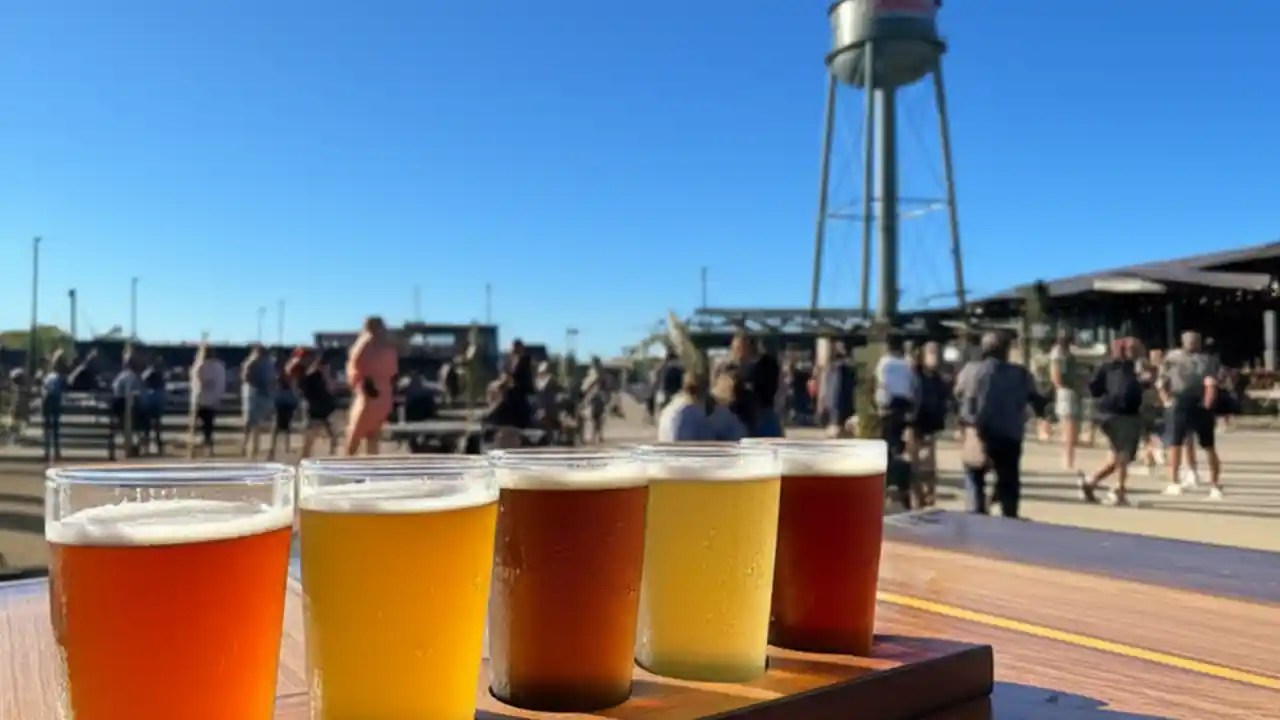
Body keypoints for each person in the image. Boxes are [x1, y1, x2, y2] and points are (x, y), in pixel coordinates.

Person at [958, 331, 1048, 519]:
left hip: (978, 431)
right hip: (1010, 434)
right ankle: (1009, 516)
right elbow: (1037, 399)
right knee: (1009, 479)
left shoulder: (971, 370)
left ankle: (976, 512)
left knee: (974, 475)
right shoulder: (1020, 373)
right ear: (1006, 350)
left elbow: (958, 394)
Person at [1078, 338, 1146, 506]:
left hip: (1130, 414)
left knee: (1117, 458)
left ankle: (1089, 482)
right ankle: (1119, 491)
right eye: (1128, 348)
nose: (1130, 352)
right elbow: (1094, 388)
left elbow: (1146, 385)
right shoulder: (1108, 367)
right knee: (1123, 454)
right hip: (1113, 414)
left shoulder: (1137, 367)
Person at [1158, 331, 1224, 500]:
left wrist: (1208, 403)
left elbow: (1211, 383)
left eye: (1195, 341)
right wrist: (1166, 399)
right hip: (1182, 400)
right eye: (1190, 341)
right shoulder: (1173, 357)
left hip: (1194, 401)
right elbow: (1161, 380)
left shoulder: (1207, 360)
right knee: (1178, 443)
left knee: (1203, 445)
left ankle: (1212, 484)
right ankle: (1177, 481)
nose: (1193, 344)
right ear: (1183, 342)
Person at [345, 316, 399, 456]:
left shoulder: (366, 341)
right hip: (384, 392)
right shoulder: (389, 344)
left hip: (369, 391)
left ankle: (347, 462)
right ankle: (371, 465)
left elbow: (357, 362)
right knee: (373, 434)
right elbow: (393, 369)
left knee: (355, 432)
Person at [909, 342, 950, 509]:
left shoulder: (938, 379)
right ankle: (916, 499)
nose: (934, 357)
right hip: (913, 425)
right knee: (914, 466)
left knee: (928, 466)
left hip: (930, 426)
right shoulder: (914, 375)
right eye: (931, 352)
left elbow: (943, 402)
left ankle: (928, 497)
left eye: (936, 353)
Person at [1048, 331, 1083, 471]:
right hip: (1066, 390)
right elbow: (1055, 373)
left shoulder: (1063, 352)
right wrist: (1059, 386)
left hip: (1069, 390)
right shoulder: (1059, 353)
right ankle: (1068, 460)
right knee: (1069, 425)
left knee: (1071, 426)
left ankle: (1069, 458)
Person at [297, 349, 338, 458]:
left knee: (334, 438)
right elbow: (303, 387)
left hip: (325, 409)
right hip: (313, 409)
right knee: (310, 438)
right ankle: (304, 459)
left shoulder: (323, 373)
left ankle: (330, 458)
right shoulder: (306, 373)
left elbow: (332, 388)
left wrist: (326, 374)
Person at [191, 344, 227, 457]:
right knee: (209, 426)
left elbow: (197, 382)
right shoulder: (219, 366)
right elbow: (221, 384)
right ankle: (209, 449)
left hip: (200, 399)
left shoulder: (199, 365)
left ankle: (192, 449)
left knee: (195, 425)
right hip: (212, 400)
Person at [240, 345, 276, 459]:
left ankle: (250, 446)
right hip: (260, 394)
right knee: (254, 423)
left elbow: (245, 377)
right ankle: (251, 446)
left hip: (258, 394)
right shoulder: (264, 363)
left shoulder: (260, 363)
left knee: (252, 422)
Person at [111, 351, 145, 457]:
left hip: (121, 406)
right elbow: (129, 392)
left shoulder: (121, 375)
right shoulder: (130, 376)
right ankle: (131, 446)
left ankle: (131, 445)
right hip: (127, 406)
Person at [269, 352, 300, 460]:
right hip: (286, 400)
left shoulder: (282, 373)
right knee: (283, 427)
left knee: (278, 427)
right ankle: (282, 448)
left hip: (283, 400)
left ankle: (275, 449)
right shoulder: (283, 372)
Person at [41, 350, 69, 462]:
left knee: (48, 427)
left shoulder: (49, 376)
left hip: (47, 400)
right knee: (55, 428)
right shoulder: (61, 376)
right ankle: (56, 452)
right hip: (55, 400)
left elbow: (44, 387)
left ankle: (47, 452)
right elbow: (65, 387)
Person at [140, 355, 168, 455]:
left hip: (150, 400)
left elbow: (143, 383)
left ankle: (146, 446)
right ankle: (158, 446)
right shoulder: (160, 374)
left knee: (147, 426)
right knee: (156, 426)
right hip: (157, 400)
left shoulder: (148, 373)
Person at [580, 356, 611, 444]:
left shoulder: (593, 373)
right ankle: (599, 435)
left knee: (593, 417)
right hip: (601, 397)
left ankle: (594, 436)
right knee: (599, 418)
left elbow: (586, 386)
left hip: (593, 397)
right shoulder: (603, 373)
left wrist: (585, 395)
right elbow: (606, 387)